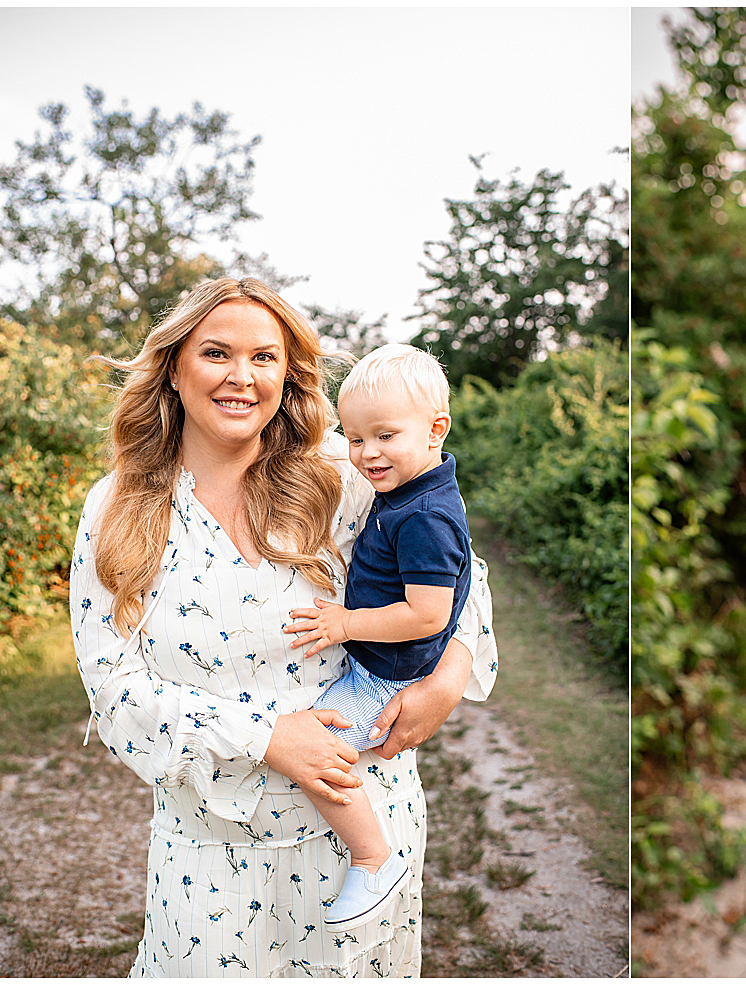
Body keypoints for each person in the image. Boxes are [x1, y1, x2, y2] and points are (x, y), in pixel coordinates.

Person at [71, 278, 498, 976]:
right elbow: (114, 690)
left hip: (363, 841)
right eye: (216, 352)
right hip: (212, 854)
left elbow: (458, 573)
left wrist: (448, 677)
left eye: (264, 357)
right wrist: (267, 736)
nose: (242, 376)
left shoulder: (342, 471)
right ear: (175, 368)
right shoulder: (117, 507)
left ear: (286, 374)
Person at [283, 343, 474, 927]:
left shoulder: (425, 517)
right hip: (374, 664)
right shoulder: (407, 492)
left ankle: (372, 857)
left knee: (318, 755)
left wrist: (345, 623)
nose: (366, 454)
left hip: (384, 675)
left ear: (436, 428)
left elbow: (427, 615)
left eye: (385, 436)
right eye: (356, 438)